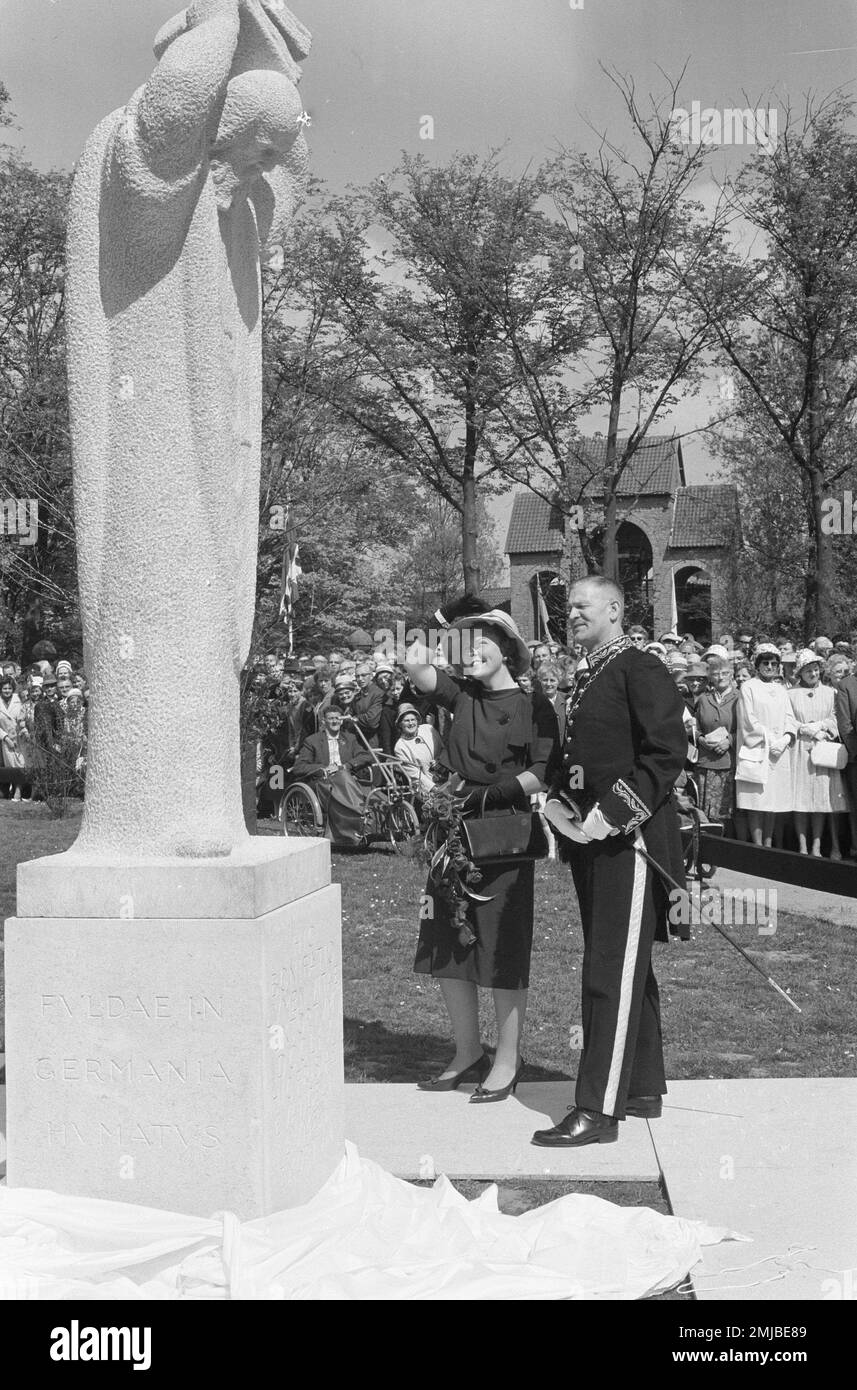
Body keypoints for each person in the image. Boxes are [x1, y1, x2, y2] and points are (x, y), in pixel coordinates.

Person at [534, 576, 688, 1148]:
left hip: (631, 841)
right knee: (625, 964)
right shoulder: (592, 670)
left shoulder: (638, 666)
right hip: (592, 840)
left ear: (615, 610)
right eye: (567, 606)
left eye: (581, 605)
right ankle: (642, 1086)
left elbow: (667, 751)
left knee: (608, 969)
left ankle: (597, 1110)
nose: (570, 613)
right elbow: (587, 757)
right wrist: (560, 804)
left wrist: (612, 813)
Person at [406, 609, 558, 1102]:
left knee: (503, 951)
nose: (467, 652)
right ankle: (467, 1051)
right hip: (451, 834)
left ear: (507, 648)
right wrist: (448, 616)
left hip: (503, 837)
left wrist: (491, 796)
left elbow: (543, 771)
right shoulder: (461, 694)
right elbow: (414, 660)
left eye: (479, 643)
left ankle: (507, 1060)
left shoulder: (536, 705)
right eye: (462, 644)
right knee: (452, 943)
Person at [735, 644, 797, 848]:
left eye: (774, 663)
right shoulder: (748, 687)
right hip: (758, 748)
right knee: (756, 800)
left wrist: (786, 738)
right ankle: (757, 845)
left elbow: (790, 717)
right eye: (765, 663)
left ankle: (768, 844)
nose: (770, 667)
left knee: (773, 801)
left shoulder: (781, 689)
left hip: (778, 752)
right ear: (757, 665)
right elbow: (748, 720)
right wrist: (770, 739)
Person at [789, 650, 846, 858]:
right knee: (801, 800)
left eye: (815, 669)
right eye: (808, 670)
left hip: (823, 748)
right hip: (800, 750)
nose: (812, 674)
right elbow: (787, 719)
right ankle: (802, 846)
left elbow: (835, 717)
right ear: (800, 673)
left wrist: (822, 726)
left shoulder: (831, 692)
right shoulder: (791, 694)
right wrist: (804, 728)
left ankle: (817, 846)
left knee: (821, 800)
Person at [290, 704, 374, 844]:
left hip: (349, 779)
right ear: (324, 721)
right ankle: (360, 814)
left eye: (337, 718)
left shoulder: (350, 738)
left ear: (341, 721)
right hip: (324, 782)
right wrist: (325, 768)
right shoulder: (313, 741)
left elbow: (365, 756)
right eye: (330, 719)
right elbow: (299, 767)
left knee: (357, 782)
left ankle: (369, 819)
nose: (335, 721)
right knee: (343, 776)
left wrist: (347, 765)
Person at [693, 658, 739, 824]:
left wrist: (730, 740)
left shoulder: (740, 697)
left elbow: (746, 728)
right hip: (706, 762)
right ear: (710, 677)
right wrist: (701, 739)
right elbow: (694, 727)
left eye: (725, 673)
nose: (720, 677)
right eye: (716, 674)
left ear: (731, 675)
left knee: (727, 814)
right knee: (705, 814)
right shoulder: (704, 699)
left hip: (729, 763)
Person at [393, 703, 441, 797]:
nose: (411, 723)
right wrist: (434, 788)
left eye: (413, 719)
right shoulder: (400, 747)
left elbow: (443, 749)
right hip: (426, 787)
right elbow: (414, 774)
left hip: (445, 776)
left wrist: (440, 760)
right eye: (406, 721)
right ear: (400, 724)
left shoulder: (428, 728)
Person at [0, 676, 27, 801]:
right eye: (4, 688)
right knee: (11, 766)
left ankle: (18, 791)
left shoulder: (19, 699)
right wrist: (5, 738)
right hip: (6, 740)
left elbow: (23, 717)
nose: (7, 691)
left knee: (21, 765)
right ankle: (12, 789)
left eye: (9, 688)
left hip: (20, 738)